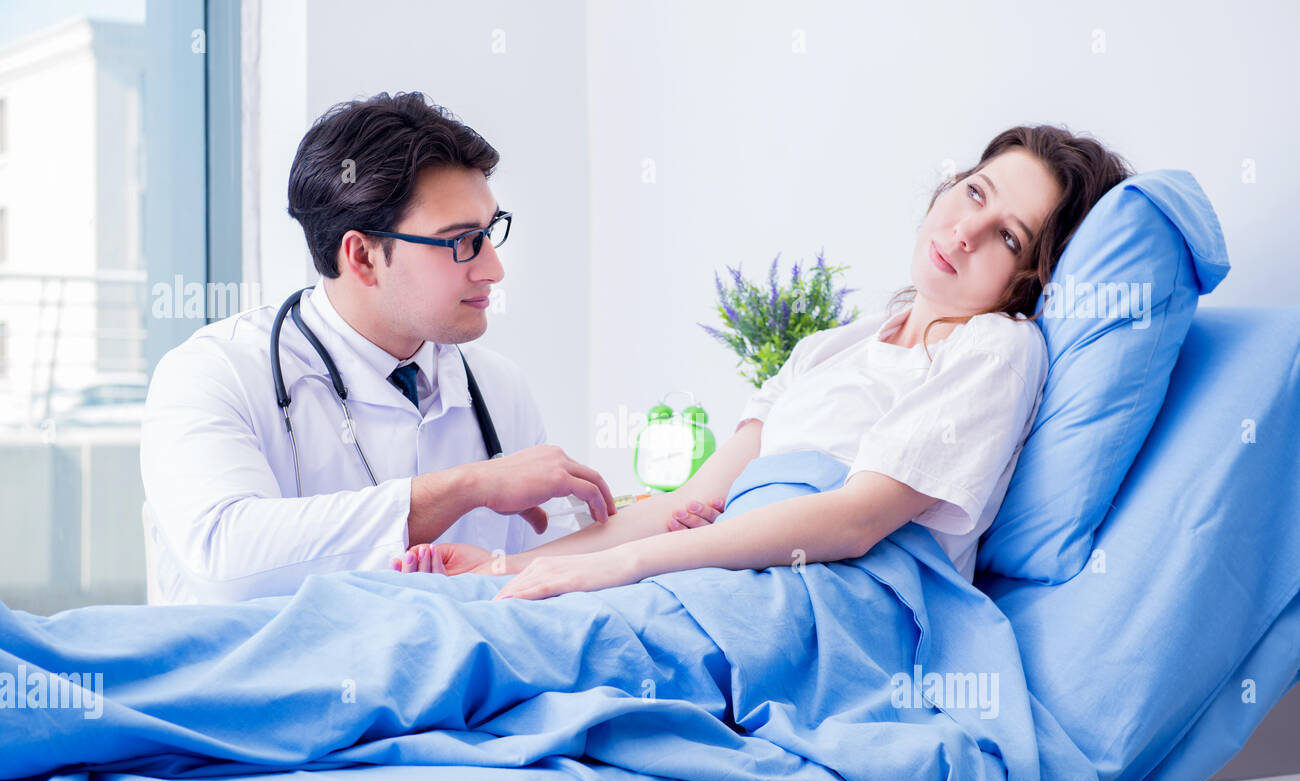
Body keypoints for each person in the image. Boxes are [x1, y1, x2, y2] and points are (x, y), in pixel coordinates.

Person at [396, 124, 1135, 594]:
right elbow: (684, 501)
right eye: (974, 191)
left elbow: (852, 523)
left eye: (1009, 237)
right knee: (439, 618)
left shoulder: (998, 347)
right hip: (732, 574)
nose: (966, 229)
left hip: (832, 600)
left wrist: (615, 571)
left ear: (1032, 279)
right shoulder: (834, 347)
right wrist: (506, 568)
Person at [140, 92, 724, 605]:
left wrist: (660, 533)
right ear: (362, 256)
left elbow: (547, 568)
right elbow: (226, 561)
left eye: (490, 232)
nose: (493, 269)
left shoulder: (497, 389)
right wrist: (471, 485)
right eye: (462, 242)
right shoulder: (213, 373)